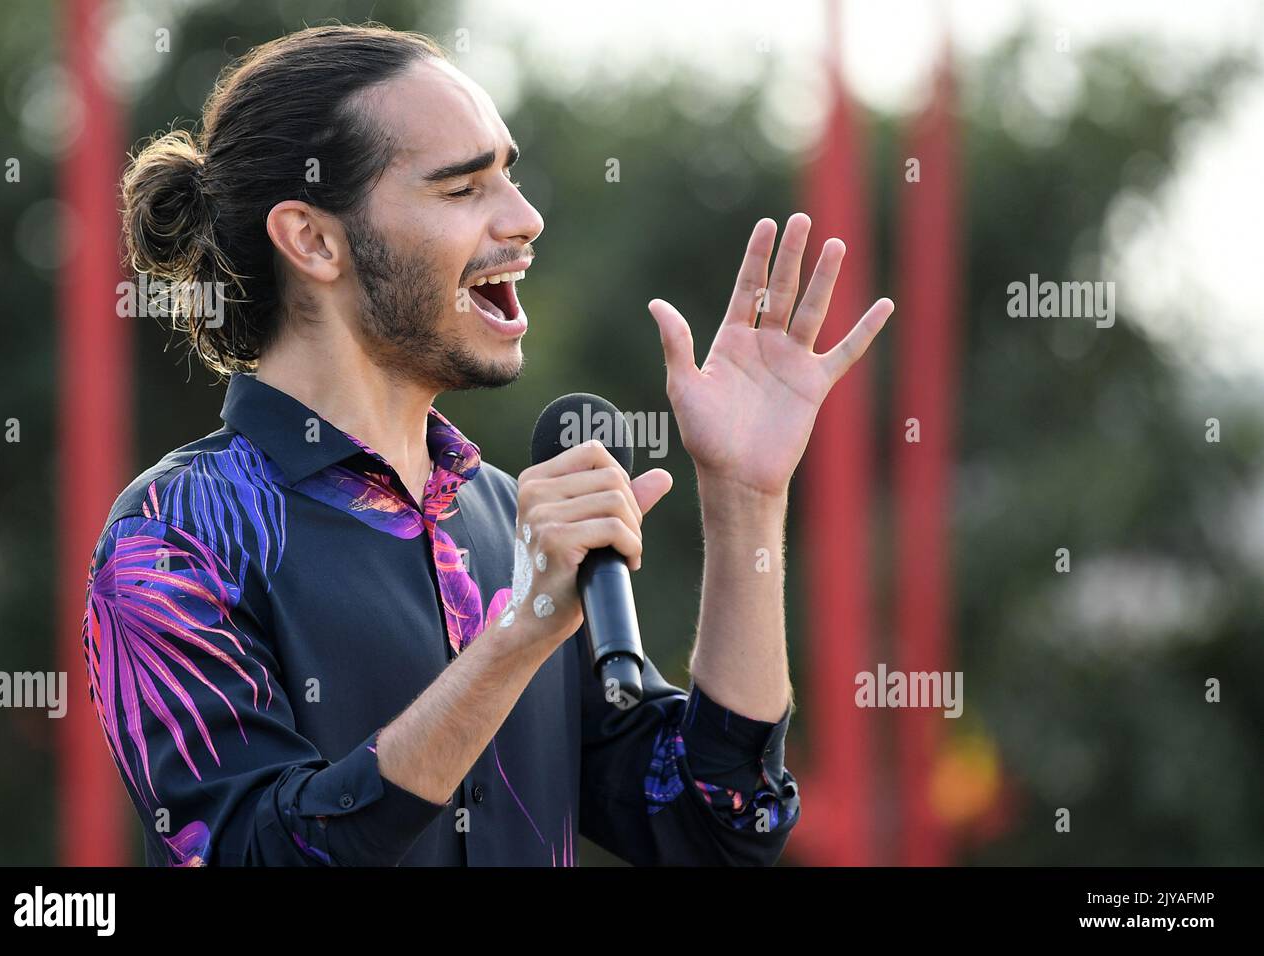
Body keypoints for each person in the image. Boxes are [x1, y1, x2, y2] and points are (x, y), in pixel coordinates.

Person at [82, 24, 892, 866]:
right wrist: (521, 632)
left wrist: (746, 501)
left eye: (509, 173)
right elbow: (253, 853)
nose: (526, 217)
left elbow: (717, 826)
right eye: (463, 189)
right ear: (313, 240)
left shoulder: (511, 519)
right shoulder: (174, 535)